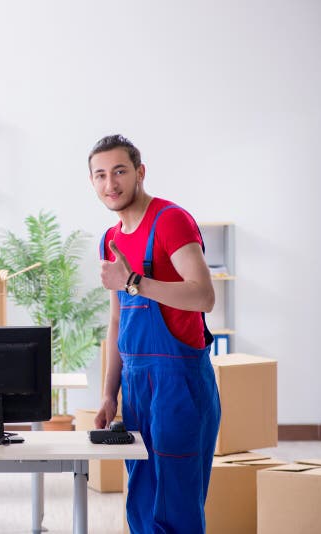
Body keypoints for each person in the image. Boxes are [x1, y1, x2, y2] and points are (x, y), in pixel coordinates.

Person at [89, 134, 221, 534]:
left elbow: (204, 296)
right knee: (143, 501)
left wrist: (133, 281)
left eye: (119, 171)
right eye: (100, 175)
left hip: (179, 383)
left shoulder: (170, 221)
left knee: (176, 507)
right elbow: (117, 322)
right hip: (136, 387)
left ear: (140, 172)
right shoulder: (110, 240)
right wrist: (109, 394)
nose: (110, 183)